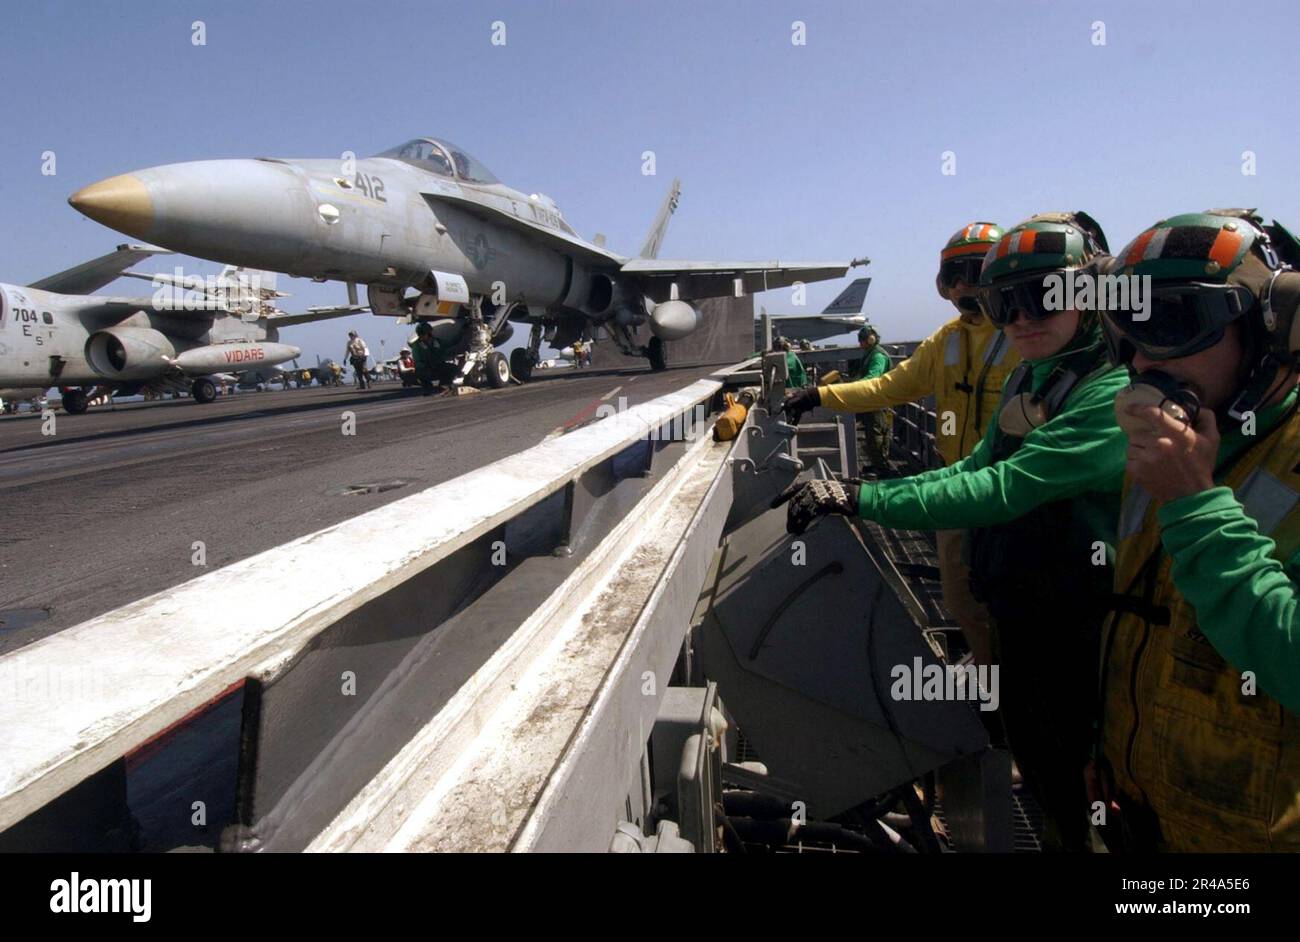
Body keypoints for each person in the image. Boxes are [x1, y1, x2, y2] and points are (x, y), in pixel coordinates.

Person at [774, 212, 1129, 851]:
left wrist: (860, 496)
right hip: (1016, 584)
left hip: (1084, 625)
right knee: (1041, 754)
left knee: (1091, 793)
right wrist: (854, 485)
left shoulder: (1110, 395)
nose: (1019, 317)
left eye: (1044, 295)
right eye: (1003, 301)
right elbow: (973, 465)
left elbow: (1002, 487)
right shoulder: (1035, 374)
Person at [1093, 210, 1300, 852]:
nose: (1144, 360)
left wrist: (1195, 505)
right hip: (1143, 812)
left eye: (1176, 324)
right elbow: (1134, 612)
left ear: (1273, 330)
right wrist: (1111, 750)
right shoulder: (1171, 443)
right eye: (1126, 332)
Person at [781, 222, 1021, 666]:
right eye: (952, 277)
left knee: (1015, 606)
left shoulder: (1025, 336)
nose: (963, 286)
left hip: (1017, 498)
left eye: (974, 271)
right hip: (954, 491)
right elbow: (888, 387)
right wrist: (819, 396)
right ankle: (994, 693)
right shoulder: (947, 341)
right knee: (961, 598)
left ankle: (1010, 697)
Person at [843, 325, 895, 474]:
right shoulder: (869, 353)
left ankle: (882, 469)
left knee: (877, 434)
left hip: (878, 401)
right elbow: (863, 375)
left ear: (870, 339)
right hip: (872, 400)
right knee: (872, 434)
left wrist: (854, 387)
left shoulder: (878, 356)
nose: (860, 344)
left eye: (862, 341)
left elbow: (873, 377)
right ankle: (877, 463)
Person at [411, 322, 458, 396]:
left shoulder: (437, 342)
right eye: (421, 334)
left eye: (423, 334)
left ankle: (443, 385)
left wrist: (462, 332)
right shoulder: (417, 345)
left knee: (454, 368)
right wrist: (427, 365)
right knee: (419, 371)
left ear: (429, 333)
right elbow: (417, 361)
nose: (422, 336)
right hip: (426, 369)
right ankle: (427, 388)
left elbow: (451, 342)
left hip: (438, 367)